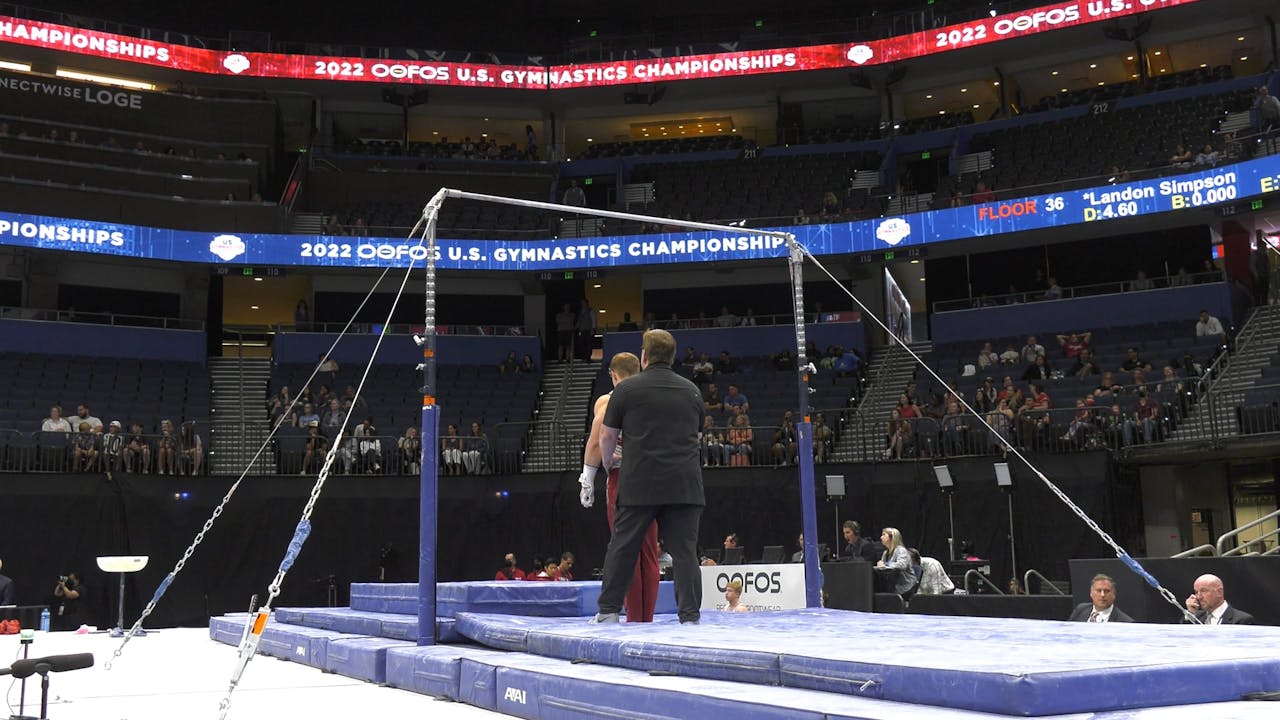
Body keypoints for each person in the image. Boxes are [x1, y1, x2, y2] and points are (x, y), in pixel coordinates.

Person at [592, 329, 705, 625]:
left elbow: (607, 435)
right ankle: (690, 617)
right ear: (673, 356)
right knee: (684, 553)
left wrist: (607, 462)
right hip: (683, 483)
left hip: (640, 482)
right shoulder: (692, 391)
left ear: (643, 356)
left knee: (623, 546)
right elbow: (698, 437)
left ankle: (608, 612)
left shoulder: (626, 391)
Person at [580, 352, 659, 622]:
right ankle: (644, 617)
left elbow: (596, 440)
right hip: (652, 479)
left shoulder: (609, 400)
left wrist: (587, 478)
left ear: (613, 375)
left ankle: (622, 613)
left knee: (625, 547)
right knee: (648, 550)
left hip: (621, 478)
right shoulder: (654, 397)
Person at [1183, 573, 1254, 625]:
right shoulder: (1196, 617)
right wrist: (1190, 613)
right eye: (1196, 592)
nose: (1198, 597)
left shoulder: (1242, 620)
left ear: (1219, 592)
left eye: (1203, 591)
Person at [1069, 573, 1133, 623]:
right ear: (1091, 593)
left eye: (1107, 591)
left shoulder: (1125, 621)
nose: (1102, 595)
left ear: (1114, 595)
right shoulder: (1080, 610)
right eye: (1099, 591)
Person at [875, 528, 916, 596]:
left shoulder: (901, 550)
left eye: (884, 535)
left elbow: (901, 565)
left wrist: (885, 564)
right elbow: (883, 568)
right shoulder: (885, 553)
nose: (881, 537)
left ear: (892, 537)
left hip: (906, 586)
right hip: (893, 586)